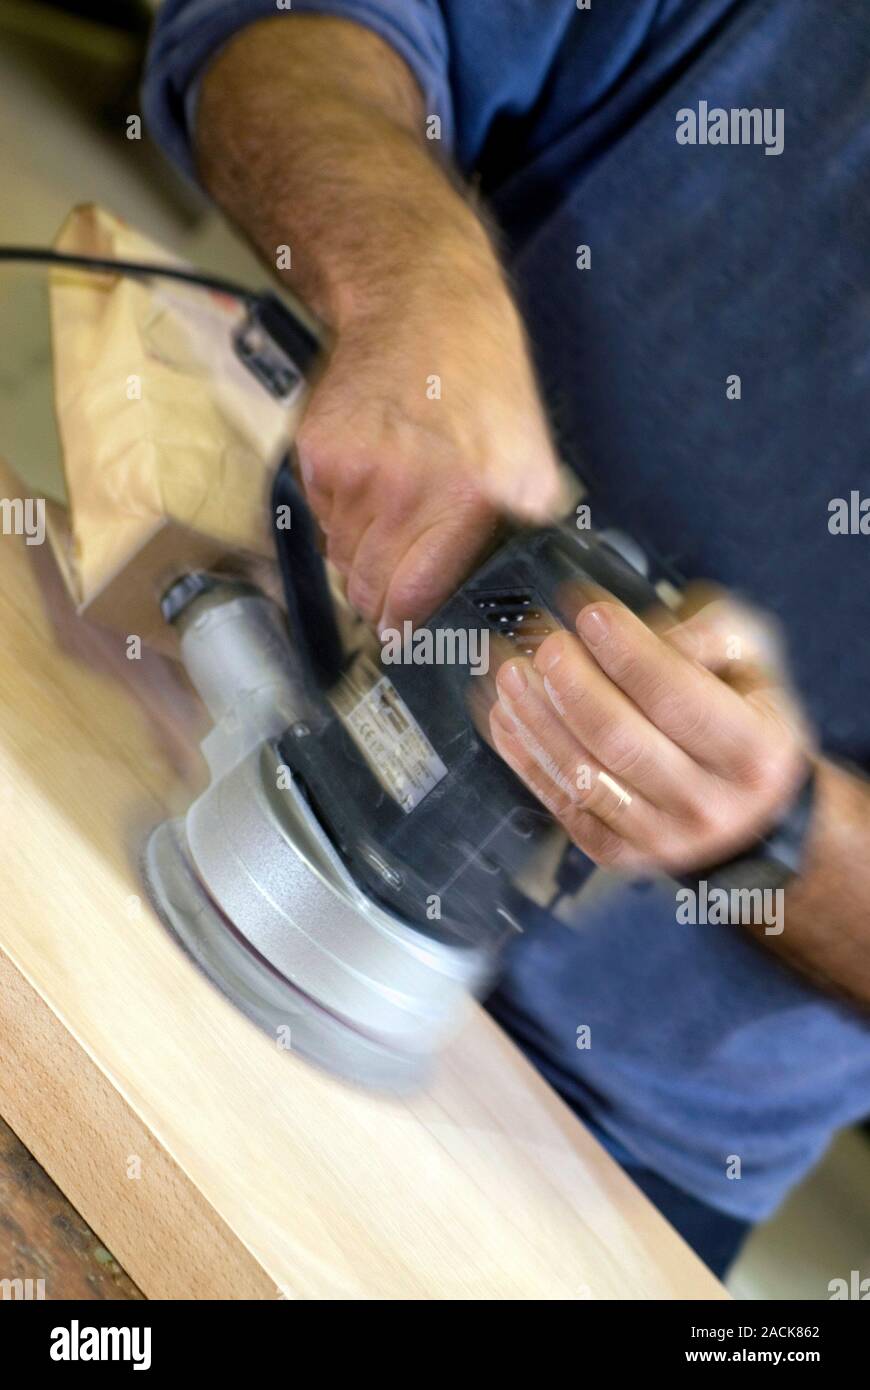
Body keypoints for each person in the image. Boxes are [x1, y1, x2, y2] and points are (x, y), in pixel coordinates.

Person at [142, 0, 870, 1279]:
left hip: (615, 1149)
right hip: (199, 758)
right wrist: (406, 269)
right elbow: (288, 28)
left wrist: (777, 829)